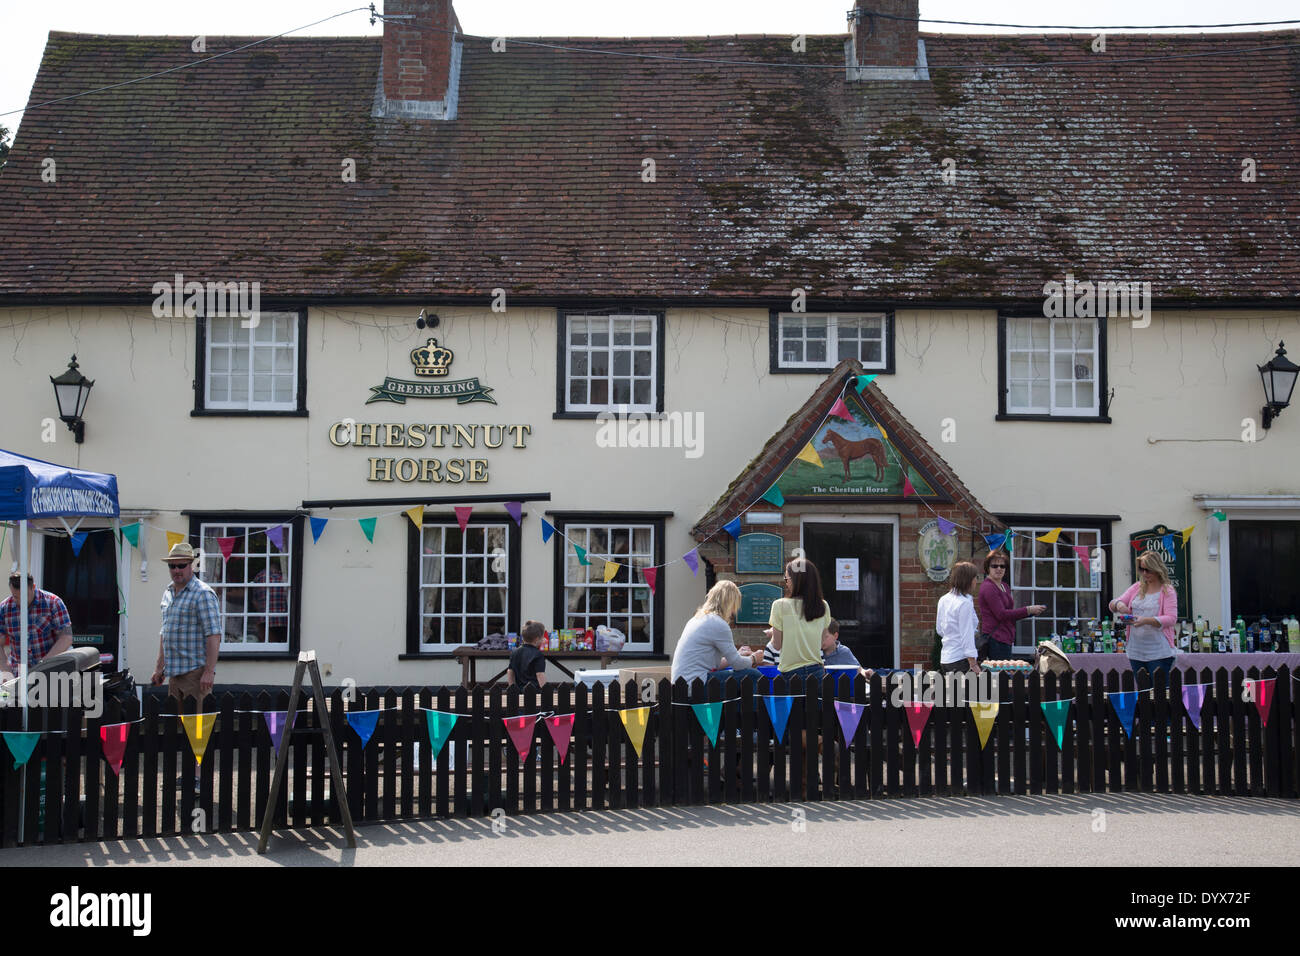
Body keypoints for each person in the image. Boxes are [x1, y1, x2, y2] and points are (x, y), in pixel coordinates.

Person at [152, 542, 221, 704]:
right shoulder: (168, 593)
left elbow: (214, 635)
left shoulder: (202, 594)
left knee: (195, 728)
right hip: (174, 675)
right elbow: (165, 632)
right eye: (172, 566)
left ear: (191, 565)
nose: (176, 570)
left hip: (196, 675)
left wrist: (209, 672)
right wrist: (159, 667)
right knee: (177, 728)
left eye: (181, 565)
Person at [670, 580, 762, 685]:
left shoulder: (697, 619)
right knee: (753, 675)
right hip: (696, 685)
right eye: (734, 606)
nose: (733, 612)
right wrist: (754, 658)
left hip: (682, 686)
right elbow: (738, 665)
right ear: (729, 604)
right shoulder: (718, 624)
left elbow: (714, 664)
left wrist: (737, 654)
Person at [1109, 551, 1178, 681]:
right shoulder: (1137, 587)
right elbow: (1113, 603)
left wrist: (1146, 620)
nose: (1144, 573)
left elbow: (1171, 618)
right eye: (1142, 569)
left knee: (1160, 693)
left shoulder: (1167, 590)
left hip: (1159, 651)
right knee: (1143, 694)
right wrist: (1120, 606)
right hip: (1136, 650)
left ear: (1157, 569)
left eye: (1148, 570)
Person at [768, 558, 833, 682]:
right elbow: (820, 643)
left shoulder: (779, 605)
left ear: (795, 581)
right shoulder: (823, 605)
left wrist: (773, 634)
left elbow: (776, 645)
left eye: (786, 579)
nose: (786, 583)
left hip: (790, 674)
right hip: (817, 673)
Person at [0, 571, 73, 677]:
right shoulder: (4, 608)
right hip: (19, 674)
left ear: (33, 587)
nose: (20, 601)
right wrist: (6, 669)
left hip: (52, 671)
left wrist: (42, 665)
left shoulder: (53, 603)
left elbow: (66, 637)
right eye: (16, 596)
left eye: (24, 596)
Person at [976, 551, 1045, 660]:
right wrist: (1028, 610)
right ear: (987, 567)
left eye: (1002, 566)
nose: (999, 569)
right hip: (995, 640)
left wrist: (1031, 612)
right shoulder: (988, 587)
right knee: (1000, 675)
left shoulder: (1004, 586)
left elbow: (1010, 614)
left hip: (1006, 638)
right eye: (994, 566)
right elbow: (1001, 614)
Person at [937, 562, 981, 674]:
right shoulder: (964, 603)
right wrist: (973, 663)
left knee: (951, 691)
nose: (976, 580)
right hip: (961, 659)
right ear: (968, 580)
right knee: (966, 692)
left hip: (946, 658)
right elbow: (967, 634)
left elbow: (940, 630)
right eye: (975, 577)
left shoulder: (943, 599)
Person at [507, 620, 548, 690]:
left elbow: (510, 672)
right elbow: (540, 674)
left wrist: (512, 689)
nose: (543, 639)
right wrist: (546, 691)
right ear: (537, 639)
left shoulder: (515, 652)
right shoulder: (538, 655)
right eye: (542, 637)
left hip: (519, 692)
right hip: (534, 693)